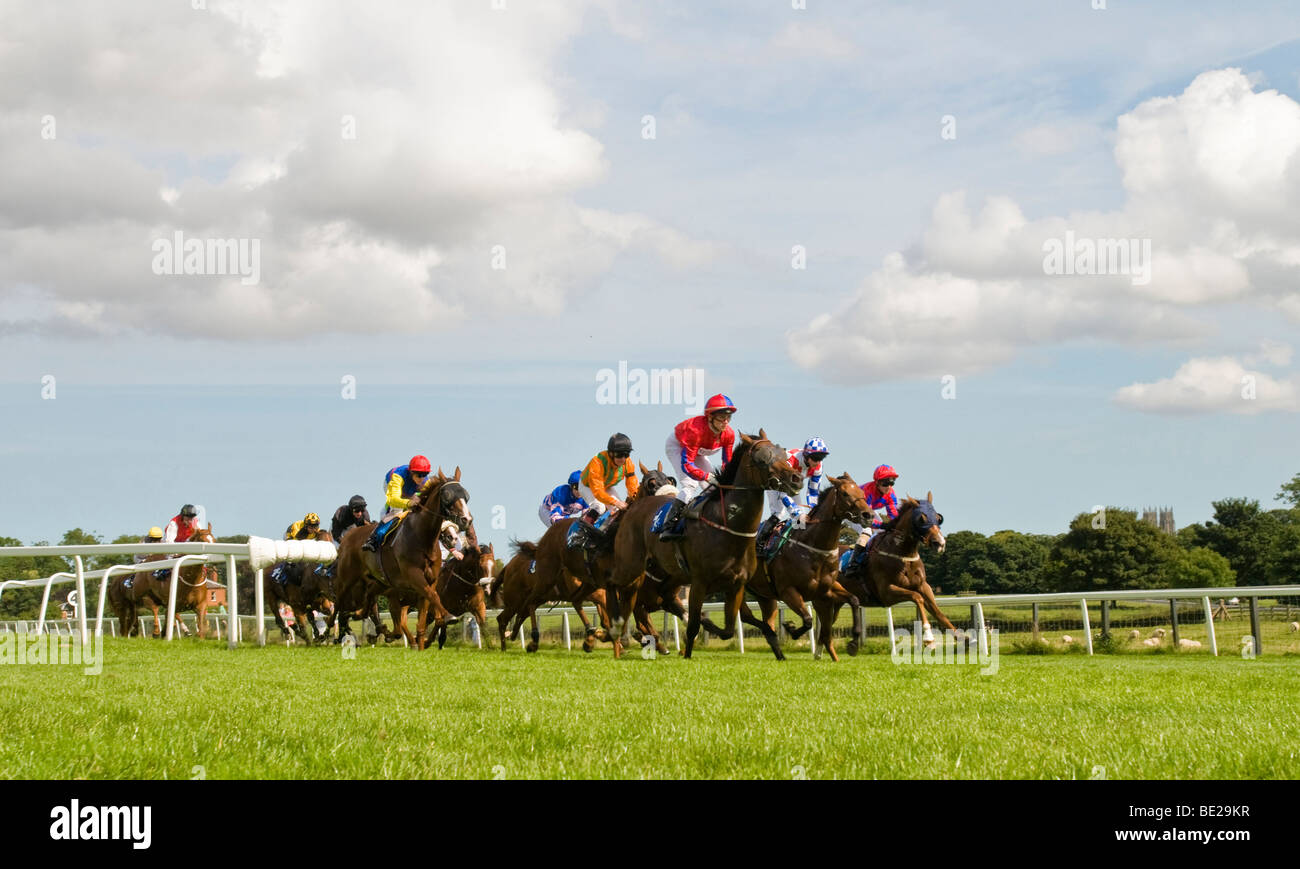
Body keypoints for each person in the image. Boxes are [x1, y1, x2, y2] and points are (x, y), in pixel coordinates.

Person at [758, 437, 829, 556]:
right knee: (779, 513)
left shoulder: (818, 466)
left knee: (801, 516)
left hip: (792, 488)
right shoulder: (791, 459)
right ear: (806, 455)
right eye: (816, 458)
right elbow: (782, 493)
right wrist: (796, 513)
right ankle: (759, 545)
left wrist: (815, 511)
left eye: (821, 458)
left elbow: (813, 492)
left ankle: (792, 548)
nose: (818, 462)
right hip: (777, 485)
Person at [666, 394, 737, 505]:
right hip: (677, 446)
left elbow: (727, 463)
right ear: (710, 417)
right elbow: (687, 465)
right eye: (722, 417)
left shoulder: (729, 434)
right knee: (690, 485)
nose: (726, 422)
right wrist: (706, 476)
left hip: (697, 451)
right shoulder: (696, 432)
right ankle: (669, 521)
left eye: (729, 417)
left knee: (714, 487)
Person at [362, 455, 432, 552]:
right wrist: (408, 503)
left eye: (424, 474)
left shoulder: (425, 481)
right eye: (419, 475)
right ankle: (373, 539)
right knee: (397, 512)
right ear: (411, 472)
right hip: (391, 486)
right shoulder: (398, 476)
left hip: (409, 491)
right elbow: (393, 500)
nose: (421, 478)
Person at [578, 434, 639, 532]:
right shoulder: (597, 462)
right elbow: (597, 491)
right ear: (610, 453)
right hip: (587, 485)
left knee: (619, 510)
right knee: (599, 507)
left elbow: (632, 485)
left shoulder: (628, 463)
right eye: (619, 454)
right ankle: (582, 534)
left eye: (626, 454)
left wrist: (636, 498)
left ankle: (604, 531)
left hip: (606, 486)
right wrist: (616, 502)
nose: (623, 458)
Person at [844, 464, 901, 569]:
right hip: (852, 513)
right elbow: (866, 520)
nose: (889, 486)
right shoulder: (868, 491)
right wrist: (883, 525)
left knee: (884, 534)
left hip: (869, 511)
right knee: (867, 532)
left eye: (891, 482)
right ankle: (853, 564)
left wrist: (897, 526)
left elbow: (894, 515)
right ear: (877, 482)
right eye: (885, 483)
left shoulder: (891, 494)